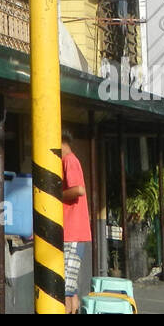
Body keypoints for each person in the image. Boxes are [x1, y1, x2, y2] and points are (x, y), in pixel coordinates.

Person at [60, 129, 92, 314]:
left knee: (65, 289)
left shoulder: (69, 160)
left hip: (72, 232)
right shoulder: (70, 160)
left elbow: (78, 189)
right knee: (71, 289)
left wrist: (54, 195)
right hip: (73, 232)